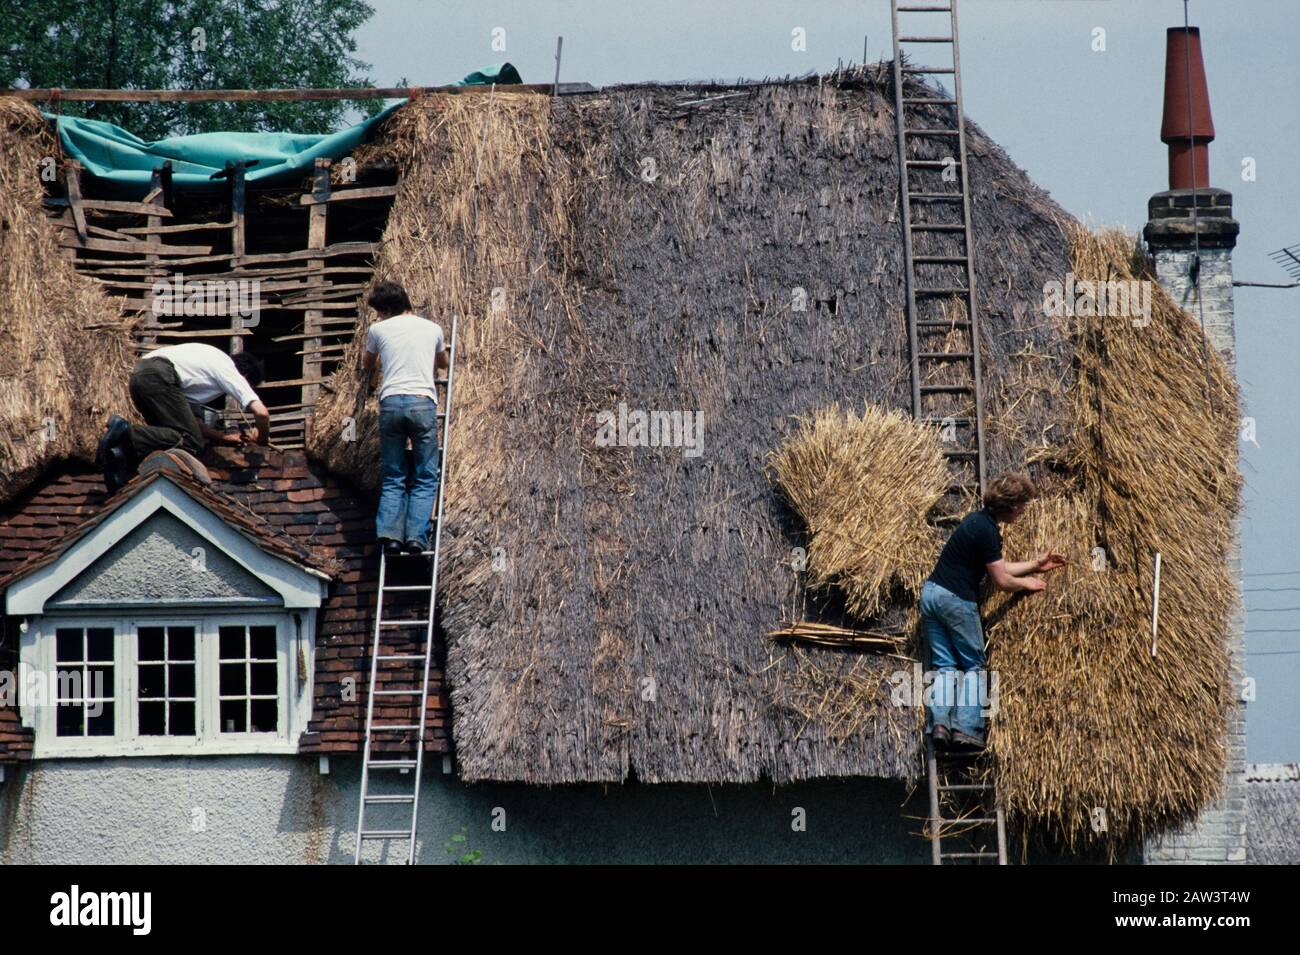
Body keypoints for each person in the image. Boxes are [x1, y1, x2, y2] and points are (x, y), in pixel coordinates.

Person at [921, 471, 1066, 750]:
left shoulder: (977, 521)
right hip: (955, 601)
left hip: (932, 595)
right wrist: (1028, 584)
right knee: (974, 665)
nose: (1023, 511)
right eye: (1023, 506)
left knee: (945, 666)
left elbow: (998, 567)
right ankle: (965, 729)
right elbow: (1002, 581)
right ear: (1012, 507)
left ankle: (940, 724)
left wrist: (1036, 563)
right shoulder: (989, 531)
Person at [95, 344, 270, 492]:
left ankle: (120, 459)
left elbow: (193, 425)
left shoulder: (206, 366)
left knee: (168, 438)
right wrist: (262, 438)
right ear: (246, 378)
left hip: (140, 377)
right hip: (159, 375)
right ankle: (126, 433)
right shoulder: (228, 369)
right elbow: (261, 412)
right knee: (193, 443)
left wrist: (224, 437)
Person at [361, 281, 448, 556]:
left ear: (385, 310)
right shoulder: (432, 329)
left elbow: (367, 363)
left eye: (378, 311)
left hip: (390, 404)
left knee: (394, 475)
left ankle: (390, 536)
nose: (377, 317)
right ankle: (415, 538)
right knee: (424, 475)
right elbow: (444, 363)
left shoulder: (377, 330)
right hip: (422, 403)